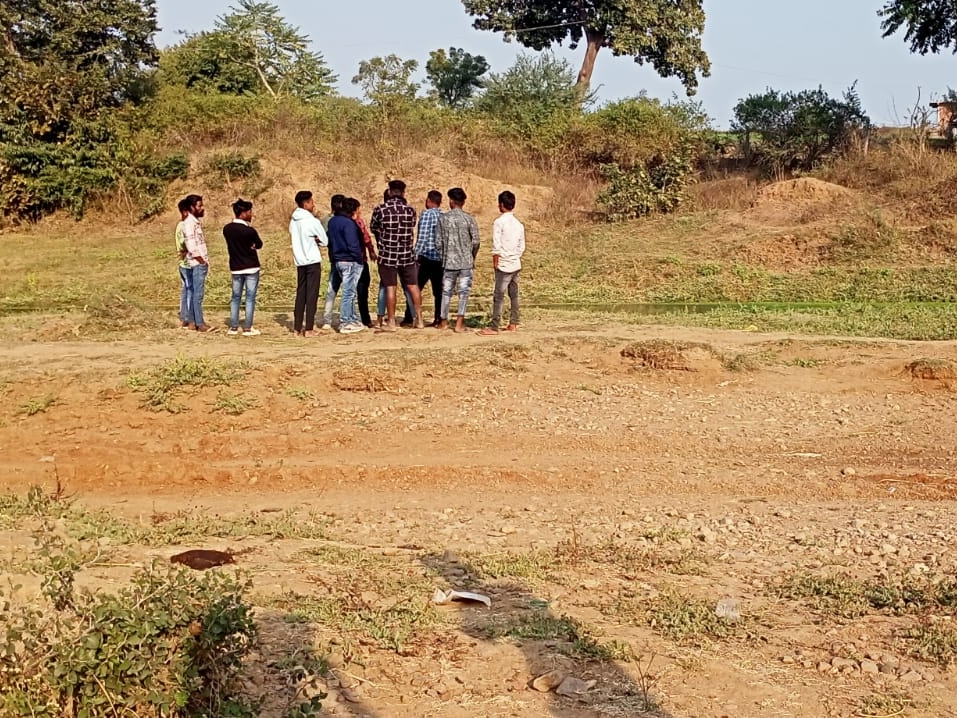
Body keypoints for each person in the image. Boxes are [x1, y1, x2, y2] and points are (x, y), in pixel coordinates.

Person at [370, 179, 423, 331]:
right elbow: (412, 225)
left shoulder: (381, 209)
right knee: (413, 287)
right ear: (403, 192)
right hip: (407, 254)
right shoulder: (410, 210)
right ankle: (419, 319)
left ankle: (391, 321)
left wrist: (382, 238)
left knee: (390, 288)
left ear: (390, 191)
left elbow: (374, 226)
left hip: (388, 254)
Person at [479, 191, 526, 336]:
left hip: (503, 264)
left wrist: (496, 261)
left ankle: (494, 327)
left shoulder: (499, 222)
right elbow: (521, 246)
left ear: (501, 204)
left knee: (498, 296)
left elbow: (496, 244)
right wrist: (514, 257)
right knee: (514, 295)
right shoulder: (519, 224)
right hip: (515, 263)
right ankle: (513, 322)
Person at [436, 187, 480, 333]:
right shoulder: (469, 219)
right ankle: (459, 323)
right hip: (466, 262)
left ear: (452, 201)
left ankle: (443, 321)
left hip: (449, 262)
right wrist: (471, 255)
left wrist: (444, 256)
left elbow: (438, 243)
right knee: (463, 292)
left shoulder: (443, 219)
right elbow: (476, 242)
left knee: (446, 292)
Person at [401, 190, 444, 327]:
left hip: (426, 258)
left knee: (415, 287)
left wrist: (415, 255)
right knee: (438, 291)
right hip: (440, 258)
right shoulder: (444, 215)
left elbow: (423, 237)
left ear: (429, 200)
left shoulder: (427, 215)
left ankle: (410, 316)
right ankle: (439, 318)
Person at [223, 198, 264, 336]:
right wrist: (252, 246)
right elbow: (259, 244)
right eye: (249, 212)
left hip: (235, 266)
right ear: (243, 213)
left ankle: (233, 327)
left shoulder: (227, 229)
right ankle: (247, 327)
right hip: (251, 266)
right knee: (250, 297)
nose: (251, 214)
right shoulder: (249, 231)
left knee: (235, 297)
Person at [290, 190, 327, 337]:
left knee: (301, 294)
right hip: (312, 260)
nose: (313, 204)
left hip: (299, 261)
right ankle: (309, 328)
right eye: (311, 202)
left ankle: (297, 327)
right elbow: (325, 241)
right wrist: (316, 240)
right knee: (311, 295)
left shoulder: (293, 221)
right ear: (306, 204)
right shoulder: (312, 221)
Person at [327, 197, 366, 334]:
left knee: (350, 291)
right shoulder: (349, 224)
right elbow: (353, 244)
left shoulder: (332, 221)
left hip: (338, 259)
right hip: (349, 260)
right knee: (348, 292)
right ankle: (345, 322)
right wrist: (359, 259)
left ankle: (352, 317)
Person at [182, 194, 217, 333]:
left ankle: (191, 322)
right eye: (199, 206)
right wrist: (202, 260)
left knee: (195, 292)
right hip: (197, 262)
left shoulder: (193, 222)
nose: (202, 208)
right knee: (198, 295)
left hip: (198, 262)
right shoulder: (189, 224)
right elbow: (191, 245)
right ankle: (200, 324)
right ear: (192, 207)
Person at [321, 194, 345, 330]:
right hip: (344, 259)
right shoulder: (343, 220)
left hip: (333, 258)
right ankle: (345, 318)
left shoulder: (326, 221)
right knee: (347, 292)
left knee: (331, 290)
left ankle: (327, 320)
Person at [354, 200, 378, 327]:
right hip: (360, 260)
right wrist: (372, 252)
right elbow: (366, 239)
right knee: (362, 289)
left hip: (347, 261)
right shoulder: (358, 223)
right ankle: (365, 318)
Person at [174, 198, 193, 329]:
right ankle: (188, 317)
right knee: (190, 289)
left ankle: (185, 316)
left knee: (186, 289)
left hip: (184, 263)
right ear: (186, 212)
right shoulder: (183, 226)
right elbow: (184, 243)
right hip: (187, 263)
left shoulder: (181, 225)